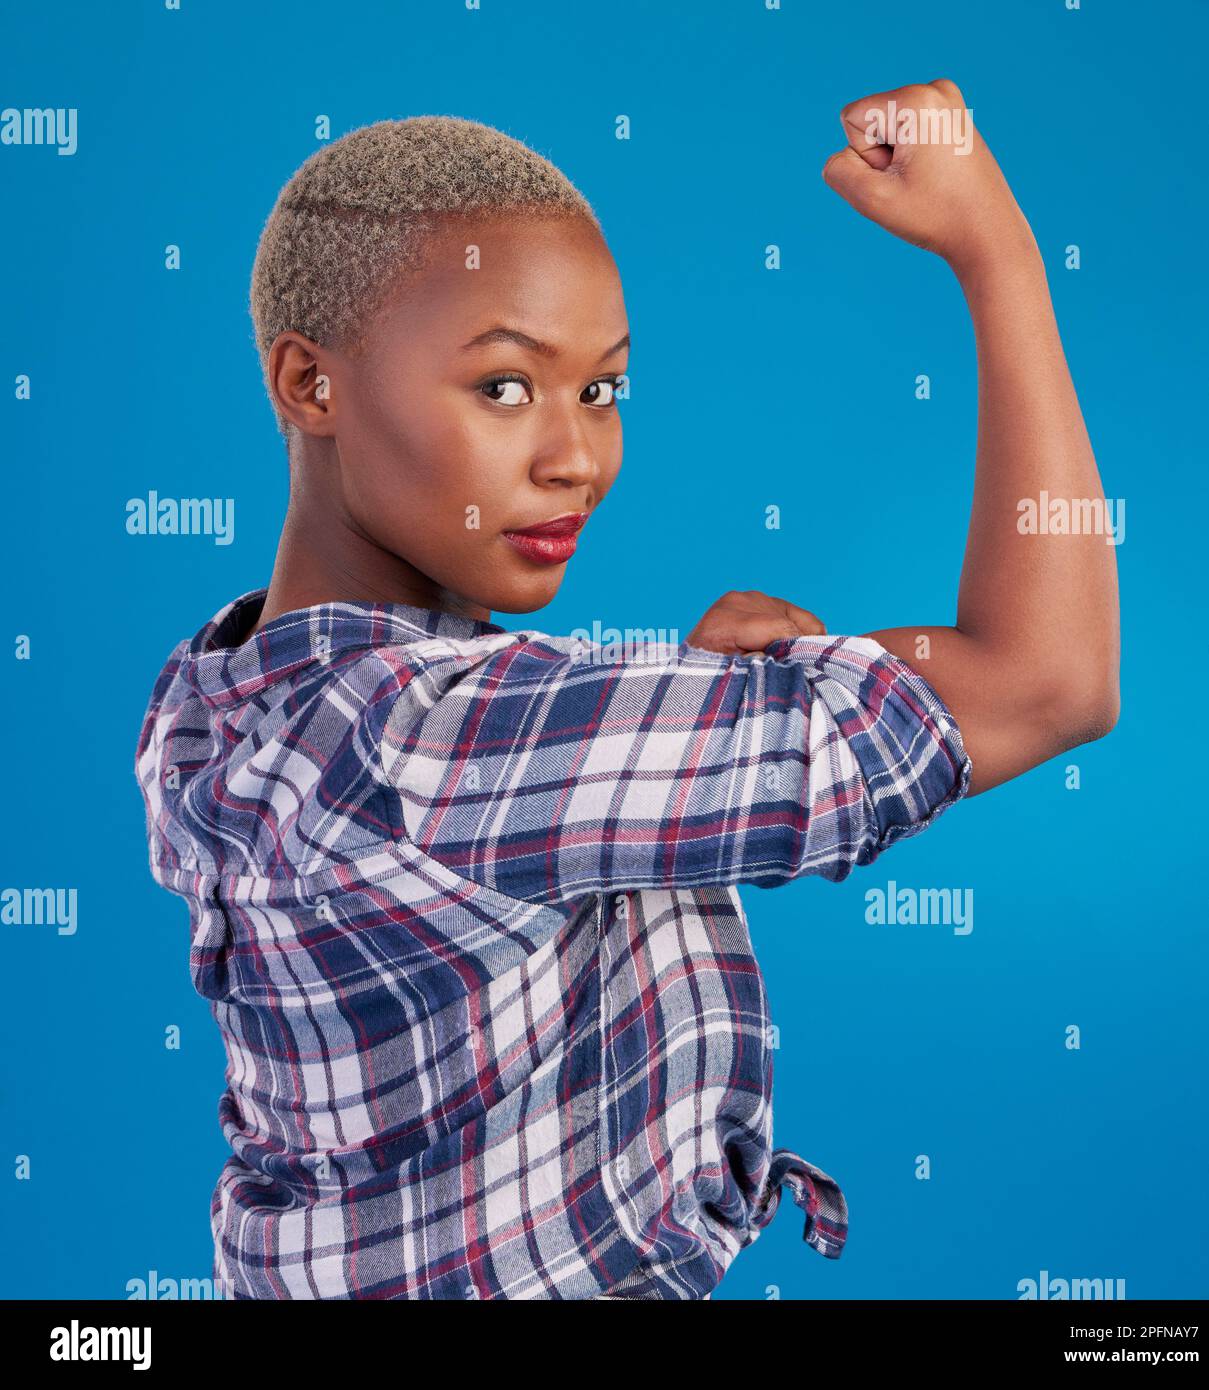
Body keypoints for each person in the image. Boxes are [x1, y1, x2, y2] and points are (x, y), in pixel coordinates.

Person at [134, 83, 1119, 1300]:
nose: (576, 457)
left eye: (600, 389)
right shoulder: (446, 742)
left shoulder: (217, 694)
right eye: (504, 387)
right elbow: (1049, 679)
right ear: (309, 383)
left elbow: (480, 839)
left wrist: (691, 704)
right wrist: (997, 250)